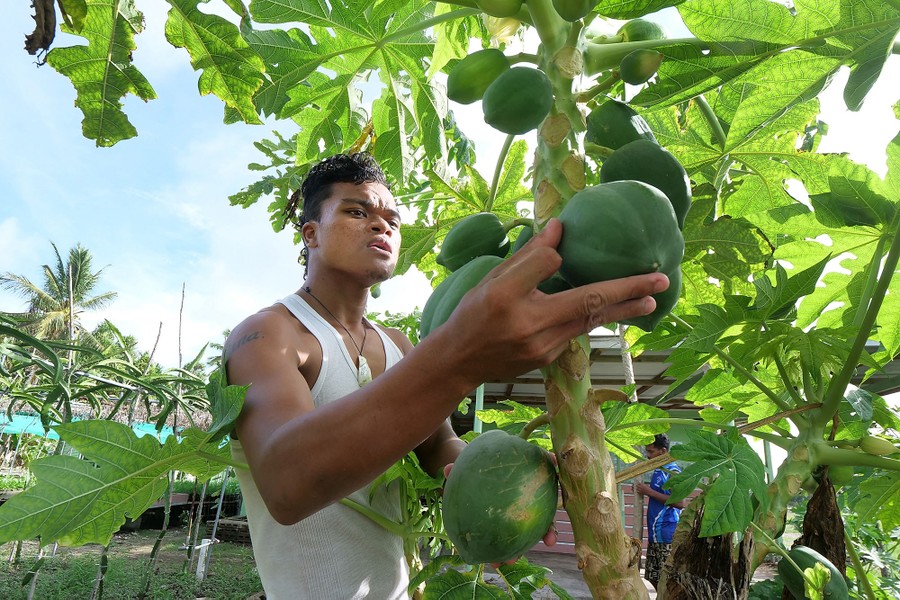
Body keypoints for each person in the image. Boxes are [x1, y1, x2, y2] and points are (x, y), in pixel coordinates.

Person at [223, 152, 669, 599]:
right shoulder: (267, 334)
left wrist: (488, 478)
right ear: (310, 233)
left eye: (392, 221)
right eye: (357, 212)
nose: (381, 226)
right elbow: (287, 482)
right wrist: (461, 356)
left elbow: (437, 445)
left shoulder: (397, 343)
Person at [636, 433, 687, 589]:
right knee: (653, 577)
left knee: (667, 580)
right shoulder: (659, 470)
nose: (648, 456)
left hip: (666, 534)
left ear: (663, 451)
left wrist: (648, 492)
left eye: (651, 452)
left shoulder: (673, 472)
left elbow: (680, 502)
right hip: (656, 535)